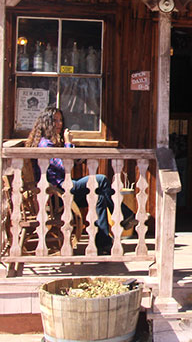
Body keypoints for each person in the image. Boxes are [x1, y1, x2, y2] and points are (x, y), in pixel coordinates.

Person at [24, 106, 134, 255]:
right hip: (58, 191)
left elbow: (62, 163)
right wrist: (68, 143)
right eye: (55, 121)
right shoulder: (45, 145)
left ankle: (103, 244)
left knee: (99, 198)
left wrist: (75, 155)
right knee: (101, 180)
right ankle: (124, 215)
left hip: (63, 187)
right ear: (46, 123)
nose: (59, 124)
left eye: (60, 120)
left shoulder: (49, 142)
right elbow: (63, 166)